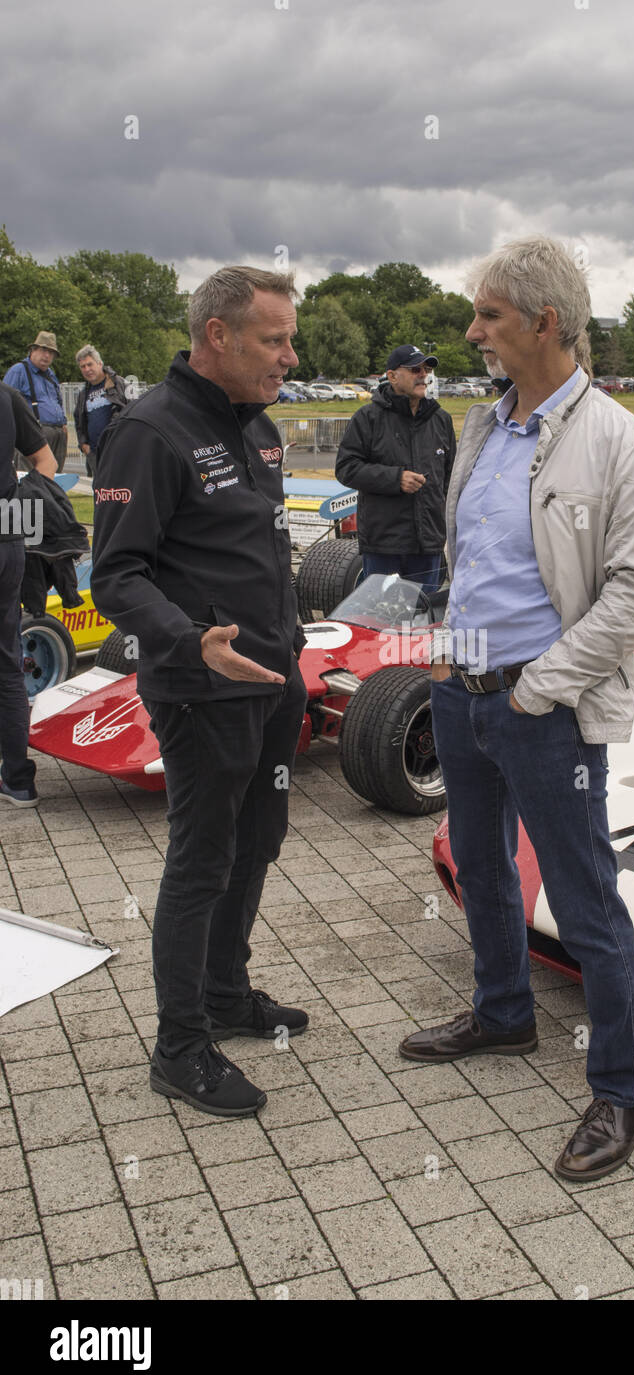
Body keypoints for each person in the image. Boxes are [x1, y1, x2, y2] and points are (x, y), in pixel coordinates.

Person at [400, 236, 634, 1182]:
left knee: (586, 894)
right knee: (480, 865)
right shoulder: (484, 426)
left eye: (488, 316)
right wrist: (445, 645)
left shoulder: (618, 441)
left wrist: (538, 686)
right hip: (462, 685)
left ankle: (623, 1089)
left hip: (541, 702)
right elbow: (468, 557)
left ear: (544, 323)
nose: (471, 332)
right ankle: (504, 1014)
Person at [91, 265, 309, 1119]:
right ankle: (180, 1045)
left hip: (273, 679)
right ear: (217, 335)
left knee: (258, 839)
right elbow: (117, 574)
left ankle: (225, 992)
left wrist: (289, 651)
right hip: (202, 688)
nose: (290, 355)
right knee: (202, 857)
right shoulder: (149, 430)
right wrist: (190, 640)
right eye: (275, 338)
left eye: (291, 337)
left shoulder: (256, 428)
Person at [335, 344, 455, 592]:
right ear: (392, 376)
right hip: (384, 546)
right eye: (414, 369)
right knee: (381, 624)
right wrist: (395, 478)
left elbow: (451, 478)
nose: (423, 374)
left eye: (426, 368)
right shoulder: (368, 418)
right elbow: (346, 467)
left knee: (423, 623)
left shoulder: (441, 419)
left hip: (428, 544)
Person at [0, 384, 57, 809]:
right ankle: (18, 779)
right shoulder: (6, 395)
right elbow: (46, 461)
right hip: (8, 540)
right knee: (6, 662)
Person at [3, 332, 69, 471]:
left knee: (53, 479)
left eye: (51, 353)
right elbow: (5, 404)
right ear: (33, 350)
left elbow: (57, 400)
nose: (47, 356)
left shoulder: (51, 374)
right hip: (33, 434)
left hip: (58, 434)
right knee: (28, 480)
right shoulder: (19, 371)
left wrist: (63, 423)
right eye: (44, 350)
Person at [73, 347, 129, 476]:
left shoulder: (119, 384)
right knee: (101, 493)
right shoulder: (83, 394)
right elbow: (78, 421)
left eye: (89, 364)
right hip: (95, 454)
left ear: (100, 363)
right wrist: (83, 445)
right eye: (83, 367)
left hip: (118, 450)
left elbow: (133, 410)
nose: (87, 369)